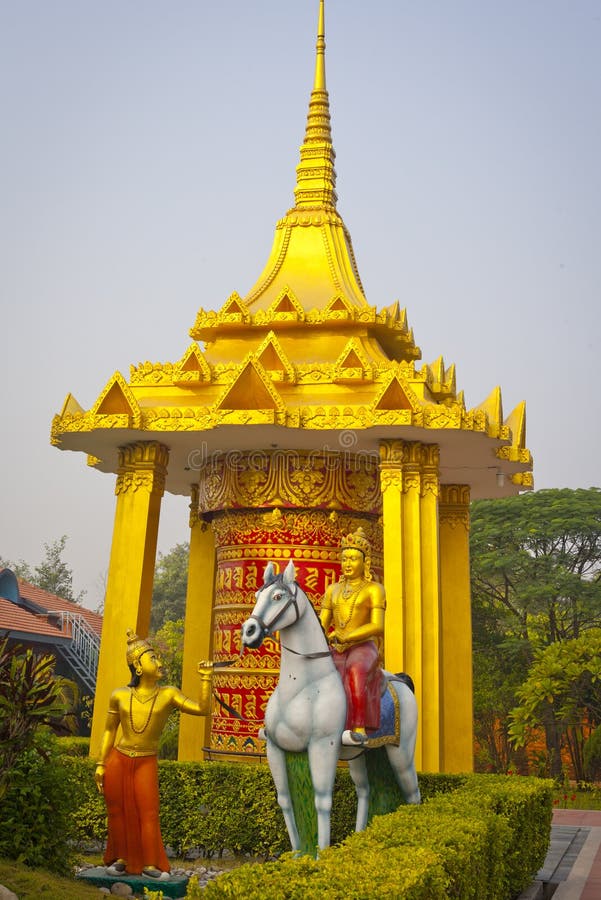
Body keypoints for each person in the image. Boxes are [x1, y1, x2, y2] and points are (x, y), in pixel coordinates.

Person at [94, 629, 214, 878]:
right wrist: (101, 764)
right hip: (118, 758)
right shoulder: (120, 695)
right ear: (138, 665)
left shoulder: (168, 694)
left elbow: (202, 709)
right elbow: (109, 732)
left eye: (158, 657)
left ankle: (150, 864)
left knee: (148, 812)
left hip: (146, 760)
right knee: (118, 812)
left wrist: (206, 679)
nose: (160, 663)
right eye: (153, 658)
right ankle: (121, 859)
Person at [320, 527, 385, 746]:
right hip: (337, 646)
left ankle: (358, 727)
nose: (348, 564)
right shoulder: (333, 590)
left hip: (363, 647)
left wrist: (348, 637)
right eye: (344, 559)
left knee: (355, 671)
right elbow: (322, 622)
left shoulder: (374, 589)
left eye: (354, 559)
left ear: (365, 563)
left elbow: (377, 625)